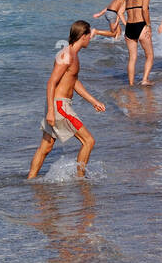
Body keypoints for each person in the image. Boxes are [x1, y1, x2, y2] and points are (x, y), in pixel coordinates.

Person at [27, 20, 115, 179]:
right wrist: (51, 112)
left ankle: (30, 181)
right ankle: (81, 180)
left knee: (46, 147)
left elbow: (73, 81)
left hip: (58, 105)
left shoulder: (73, 54)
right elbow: (51, 82)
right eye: (89, 36)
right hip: (59, 106)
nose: (90, 39)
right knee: (89, 141)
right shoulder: (66, 55)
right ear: (83, 36)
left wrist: (93, 101)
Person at [122, 0, 154, 86]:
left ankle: (131, 84)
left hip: (129, 27)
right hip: (141, 25)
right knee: (149, 55)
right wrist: (149, 25)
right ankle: (145, 80)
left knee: (132, 58)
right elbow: (145, 10)